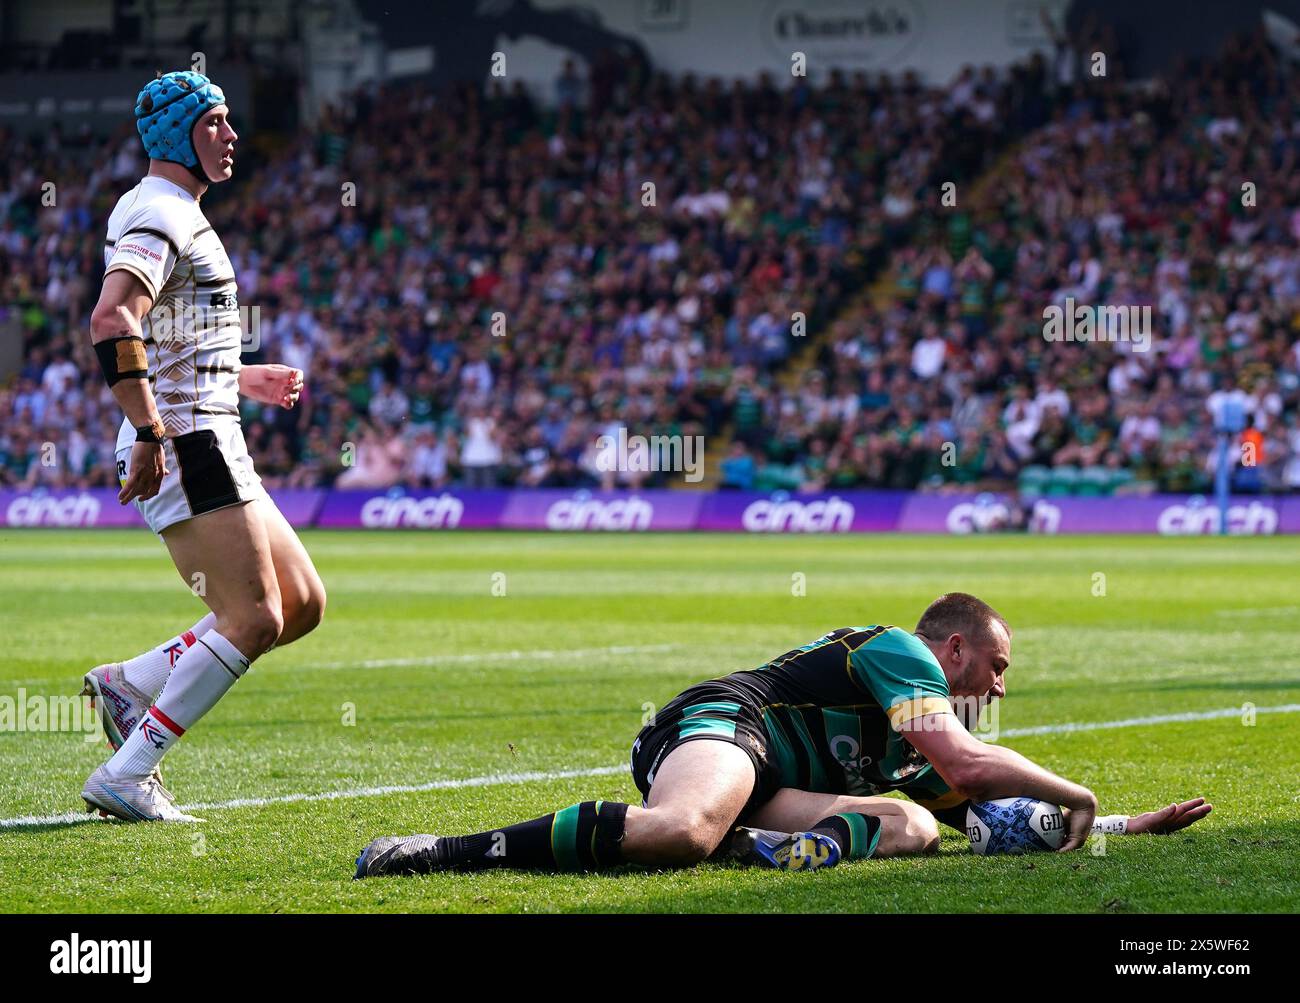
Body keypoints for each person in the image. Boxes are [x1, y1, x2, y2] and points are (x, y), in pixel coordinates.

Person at [355, 593, 1209, 875]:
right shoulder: (902, 654)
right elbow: (974, 766)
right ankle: (441, 851)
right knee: (680, 831)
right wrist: (1080, 794)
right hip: (725, 723)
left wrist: (1127, 825)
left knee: (911, 824)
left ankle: (753, 844)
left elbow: (974, 812)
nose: (1000, 683)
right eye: (994, 664)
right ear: (952, 647)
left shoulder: (912, 738)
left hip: (770, 787)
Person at [80, 70, 326, 822]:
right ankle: (129, 770)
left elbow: (169, 333)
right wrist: (152, 429)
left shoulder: (171, 209)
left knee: (302, 604)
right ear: (178, 133)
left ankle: (132, 682)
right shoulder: (161, 211)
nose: (232, 135)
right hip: (187, 440)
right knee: (252, 618)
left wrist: (242, 376)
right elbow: (113, 320)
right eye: (216, 121)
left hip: (211, 428)